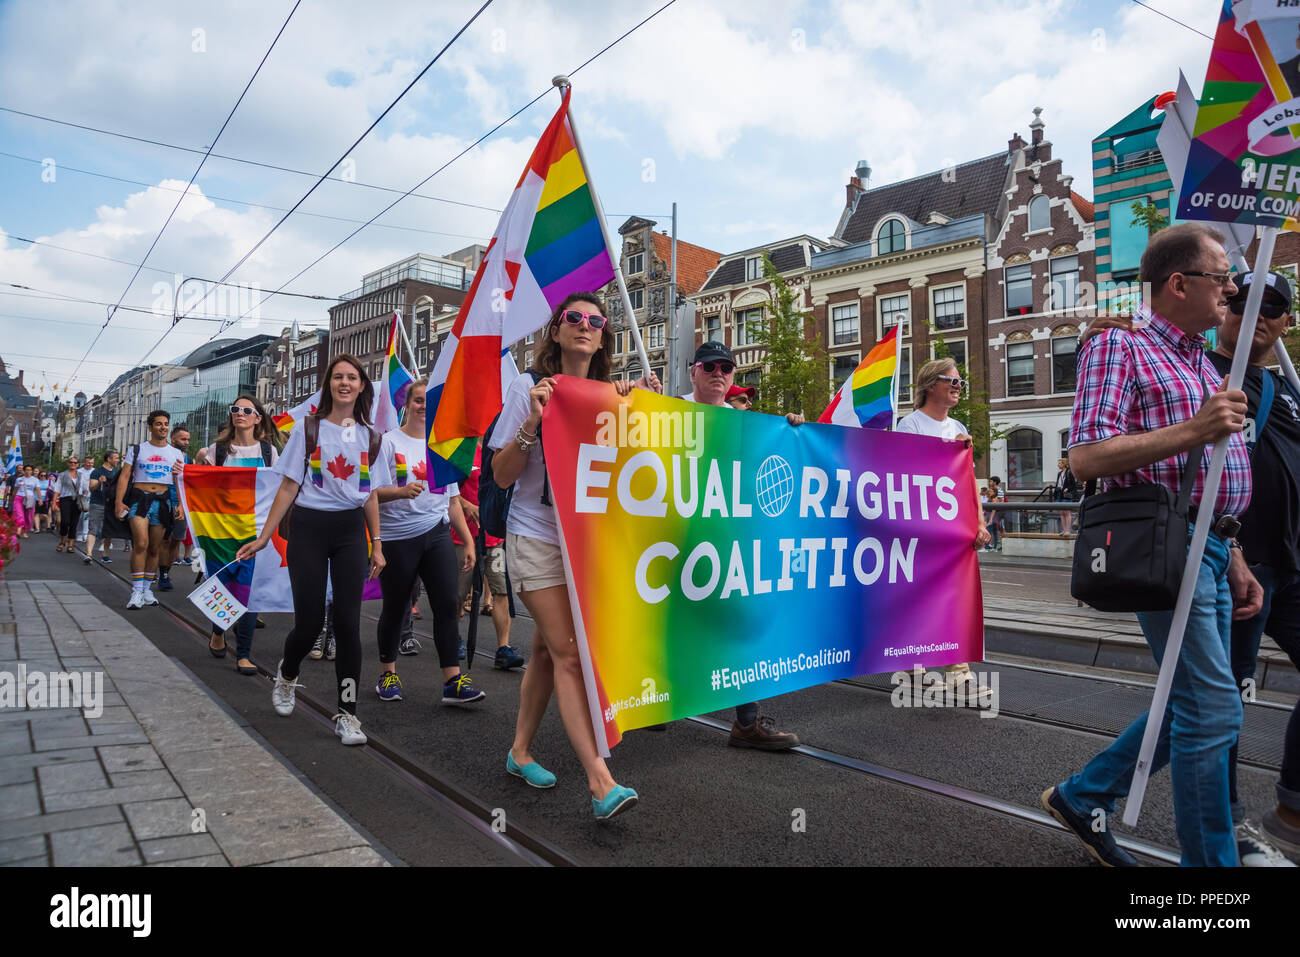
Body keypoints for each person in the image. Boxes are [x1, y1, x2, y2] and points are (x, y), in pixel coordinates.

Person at [1042, 222, 1263, 867]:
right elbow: (1085, 459)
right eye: (1221, 276)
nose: (1232, 287)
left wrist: (1236, 552)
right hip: (1170, 549)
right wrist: (1195, 427)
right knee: (1216, 710)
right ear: (1178, 282)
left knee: (1189, 701)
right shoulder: (1122, 348)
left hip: (1216, 548)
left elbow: (1215, 474)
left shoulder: (1200, 358)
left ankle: (1084, 796)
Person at [490, 292, 645, 820]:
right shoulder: (525, 391)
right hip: (535, 536)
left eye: (594, 320)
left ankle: (519, 751)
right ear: (555, 331)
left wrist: (632, 408)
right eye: (573, 319)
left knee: (543, 653)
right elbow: (502, 476)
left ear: (603, 335)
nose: (584, 326)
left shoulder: (609, 394)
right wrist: (532, 422)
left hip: (587, 542)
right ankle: (601, 782)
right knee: (570, 654)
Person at [235, 354, 388, 747]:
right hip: (308, 528)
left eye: (352, 377)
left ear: (361, 386)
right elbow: (288, 486)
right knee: (308, 623)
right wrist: (266, 535)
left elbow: (369, 493)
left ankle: (348, 715)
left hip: (350, 531)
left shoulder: (373, 437)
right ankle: (288, 672)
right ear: (328, 385)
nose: (344, 383)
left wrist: (378, 544)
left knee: (349, 626)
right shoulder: (308, 429)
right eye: (337, 377)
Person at [680, 340, 802, 749]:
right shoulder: (665, 410)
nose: (719, 373)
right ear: (693, 371)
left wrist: (791, 434)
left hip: (729, 541)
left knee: (741, 620)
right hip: (673, 537)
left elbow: (767, 466)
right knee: (675, 622)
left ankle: (746, 722)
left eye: (726, 368)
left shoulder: (747, 422)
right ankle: (647, 702)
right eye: (710, 366)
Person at [374, 379, 481, 704]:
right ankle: (387, 673)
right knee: (396, 607)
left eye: (428, 402)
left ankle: (453, 680)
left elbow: (452, 501)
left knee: (448, 603)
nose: (423, 406)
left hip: (435, 533)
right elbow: (370, 493)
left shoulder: (440, 447)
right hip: (398, 536)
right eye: (418, 401)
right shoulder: (388, 443)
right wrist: (400, 492)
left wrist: (468, 542)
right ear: (406, 404)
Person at [895, 359, 994, 698]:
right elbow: (905, 479)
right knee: (920, 600)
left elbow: (966, 482)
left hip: (954, 533)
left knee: (954, 599)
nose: (957, 386)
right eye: (950, 380)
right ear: (929, 385)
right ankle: (914, 668)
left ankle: (959, 673)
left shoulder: (958, 427)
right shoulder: (909, 426)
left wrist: (979, 522)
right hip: (922, 532)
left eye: (960, 381)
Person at [192, 397, 281, 676]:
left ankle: (243, 654)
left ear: (257, 418)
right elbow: (202, 485)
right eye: (235, 410)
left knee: (249, 592)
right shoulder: (218, 451)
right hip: (220, 531)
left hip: (254, 531)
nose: (239, 414)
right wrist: (186, 472)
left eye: (246, 410)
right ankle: (218, 630)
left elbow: (278, 487)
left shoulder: (269, 452)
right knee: (222, 587)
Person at [448, 438, 524, 670]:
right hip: (463, 537)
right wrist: (466, 505)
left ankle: (503, 648)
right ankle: (454, 639)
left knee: (501, 590)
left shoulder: (504, 447)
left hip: (494, 538)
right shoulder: (463, 448)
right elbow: (445, 489)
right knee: (458, 593)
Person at [115, 411, 186, 610]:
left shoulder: (176, 453)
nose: (163, 427)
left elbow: (179, 481)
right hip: (139, 499)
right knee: (141, 543)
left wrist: (180, 504)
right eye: (158, 424)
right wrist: (118, 503)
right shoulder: (137, 449)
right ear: (150, 427)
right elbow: (124, 476)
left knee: (155, 547)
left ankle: (147, 588)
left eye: (165, 424)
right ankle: (136, 590)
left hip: (163, 502)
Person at [158, 426, 191, 591]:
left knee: (175, 541)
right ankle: (162, 574)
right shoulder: (165, 455)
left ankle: (166, 571)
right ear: (173, 439)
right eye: (183, 439)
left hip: (182, 505)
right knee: (164, 540)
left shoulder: (189, 459)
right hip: (164, 502)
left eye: (188, 439)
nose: (186, 442)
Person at [84, 450, 119, 565]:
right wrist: (99, 482)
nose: (118, 460)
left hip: (111, 505)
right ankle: (89, 553)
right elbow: (91, 488)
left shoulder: (117, 472)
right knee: (93, 528)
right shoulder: (97, 472)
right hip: (97, 503)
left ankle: (105, 554)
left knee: (108, 530)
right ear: (109, 459)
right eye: (116, 458)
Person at [52, 455, 88, 555]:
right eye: (71, 462)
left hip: (77, 500)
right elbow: (57, 489)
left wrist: (84, 495)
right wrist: (54, 502)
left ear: (77, 464)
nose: (73, 464)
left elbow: (86, 488)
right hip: (65, 499)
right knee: (65, 521)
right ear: (68, 463)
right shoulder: (62, 475)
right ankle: (62, 541)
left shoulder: (81, 475)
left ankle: (70, 544)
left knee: (74, 523)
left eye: (75, 463)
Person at [1052, 457, 1079, 534]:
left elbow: (1074, 484)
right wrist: (1055, 489)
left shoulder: (1069, 472)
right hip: (1059, 493)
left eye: (1060, 463)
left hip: (1066, 494)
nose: (1058, 465)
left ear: (1064, 464)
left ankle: (1068, 530)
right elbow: (1058, 483)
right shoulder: (1059, 474)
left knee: (1067, 512)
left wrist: (1067, 489)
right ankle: (1064, 530)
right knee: (1061, 512)